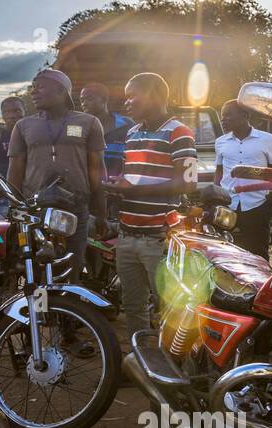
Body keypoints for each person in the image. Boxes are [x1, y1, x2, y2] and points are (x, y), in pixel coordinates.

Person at [105, 72, 198, 340]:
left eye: (132, 95)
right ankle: (142, 358)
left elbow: (187, 183)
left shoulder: (179, 132)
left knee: (169, 306)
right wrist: (116, 185)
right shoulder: (132, 133)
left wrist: (133, 188)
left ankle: (173, 365)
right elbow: (133, 175)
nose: (127, 103)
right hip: (127, 234)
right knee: (133, 306)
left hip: (160, 238)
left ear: (154, 94)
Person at [8, 69, 107, 282]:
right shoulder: (23, 126)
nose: (34, 92)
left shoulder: (88, 122)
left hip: (75, 208)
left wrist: (101, 213)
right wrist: (14, 209)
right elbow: (15, 170)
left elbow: (97, 169)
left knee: (73, 267)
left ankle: (69, 312)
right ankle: (41, 313)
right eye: (33, 88)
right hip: (34, 211)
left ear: (61, 90)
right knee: (36, 271)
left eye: (40, 87)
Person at [214, 98, 272, 258]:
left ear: (244, 115)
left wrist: (269, 202)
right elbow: (219, 171)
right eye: (222, 116)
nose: (223, 119)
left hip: (257, 205)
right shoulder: (220, 142)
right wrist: (216, 197)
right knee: (228, 253)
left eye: (228, 115)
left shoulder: (267, 139)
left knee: (258, 253)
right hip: (228, 205)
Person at [79, 83, 134, 181]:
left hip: (120, 188)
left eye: (89, 98)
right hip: (90, 188)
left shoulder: (127, 125)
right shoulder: (79, 128)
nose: (84, 103)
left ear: (104, 100)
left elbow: (135, 156)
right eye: (82, 100)